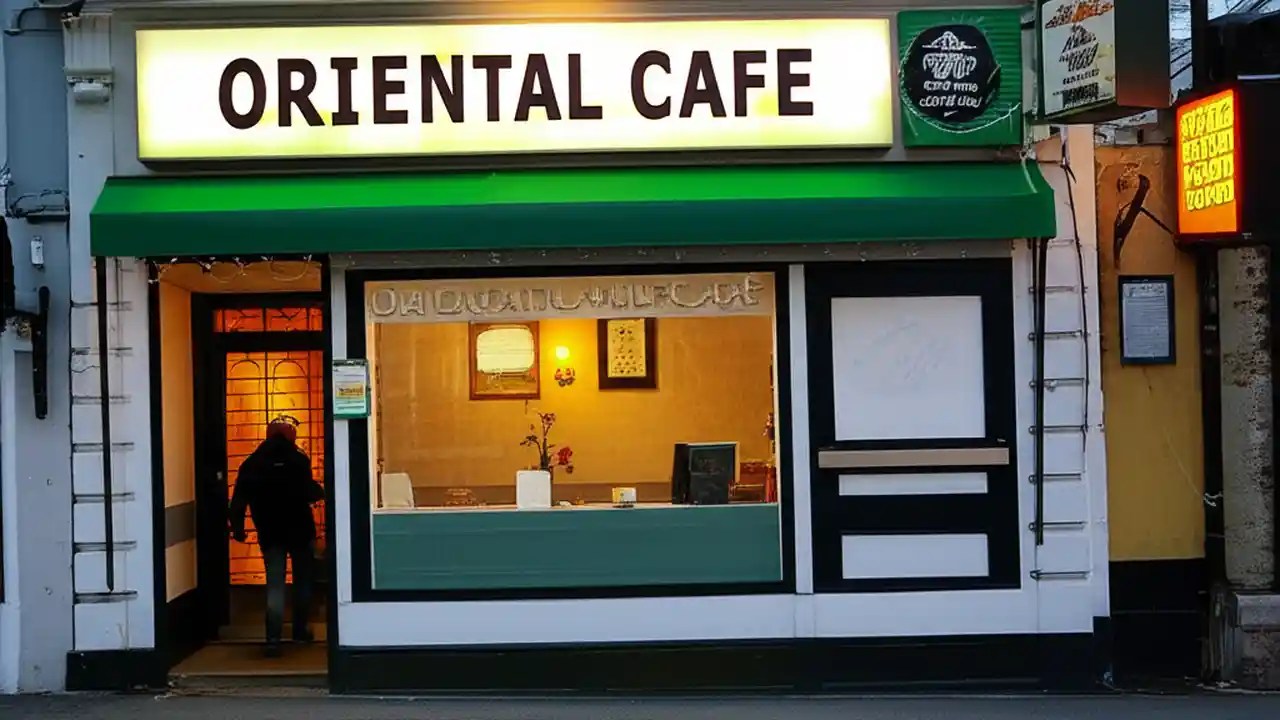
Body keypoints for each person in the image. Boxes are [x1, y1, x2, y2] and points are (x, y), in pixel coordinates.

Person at [228, 417, 324, 656]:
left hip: (270, 532)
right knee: (302, 581)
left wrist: (238, 529)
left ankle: (273, 637)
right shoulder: (299, 460)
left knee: (275, 585)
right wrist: (320, 491)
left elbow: (238, 501)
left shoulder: (252, 464)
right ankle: (300, 631)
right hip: (300, 530)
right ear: (290, 435)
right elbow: (308, 492)